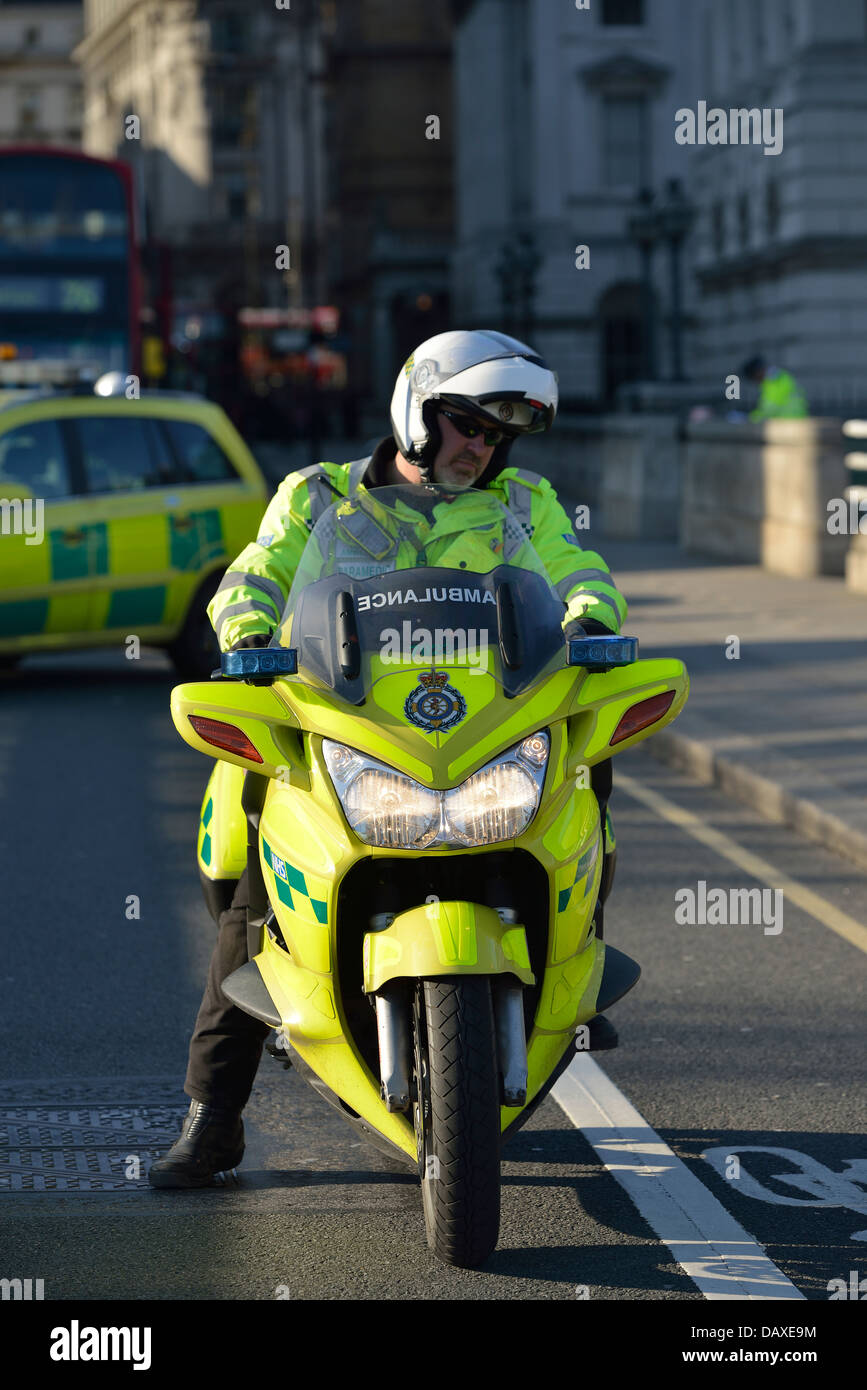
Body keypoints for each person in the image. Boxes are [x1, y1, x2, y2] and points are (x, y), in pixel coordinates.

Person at [149, 329, 627, 1187]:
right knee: (256, 895)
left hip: (480, 733)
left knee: (588, 767)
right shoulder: (317, 496)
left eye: (494, 435)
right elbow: (254, 577)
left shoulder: (524, 504)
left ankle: (576, 953)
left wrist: (591, 621)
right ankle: (213, 1115)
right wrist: (248, 632)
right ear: (417, 409)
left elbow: (575, 570)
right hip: (350, 732)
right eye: (466, 426)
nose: (480, 449)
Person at [741, 356, 808, 420]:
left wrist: (750, 418)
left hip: (790, 422)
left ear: (757, 372)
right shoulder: (775, 378)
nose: (756, 382)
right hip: (791, 421)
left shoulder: (774, 381)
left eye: (754, 378)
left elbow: (769, 410)